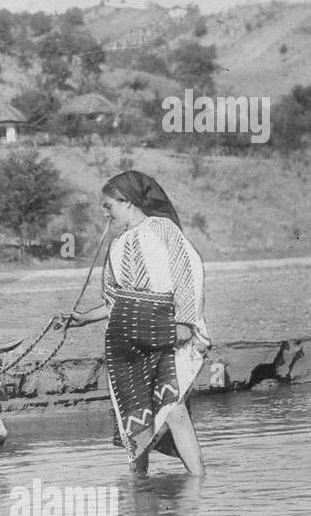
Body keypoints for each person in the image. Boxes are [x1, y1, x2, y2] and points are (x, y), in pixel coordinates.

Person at [54, 171, 210, 475]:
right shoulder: (116, 245)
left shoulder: (163, 230)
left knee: (173, 408)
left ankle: (197, 481)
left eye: (109, 206)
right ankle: (139, 485)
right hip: (124, 343)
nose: (105, 213)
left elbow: (188, 275)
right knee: (134, 419)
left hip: (164, 331)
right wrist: (83, 319)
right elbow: (113, 300)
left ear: (127, 202)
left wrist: (186, 322)